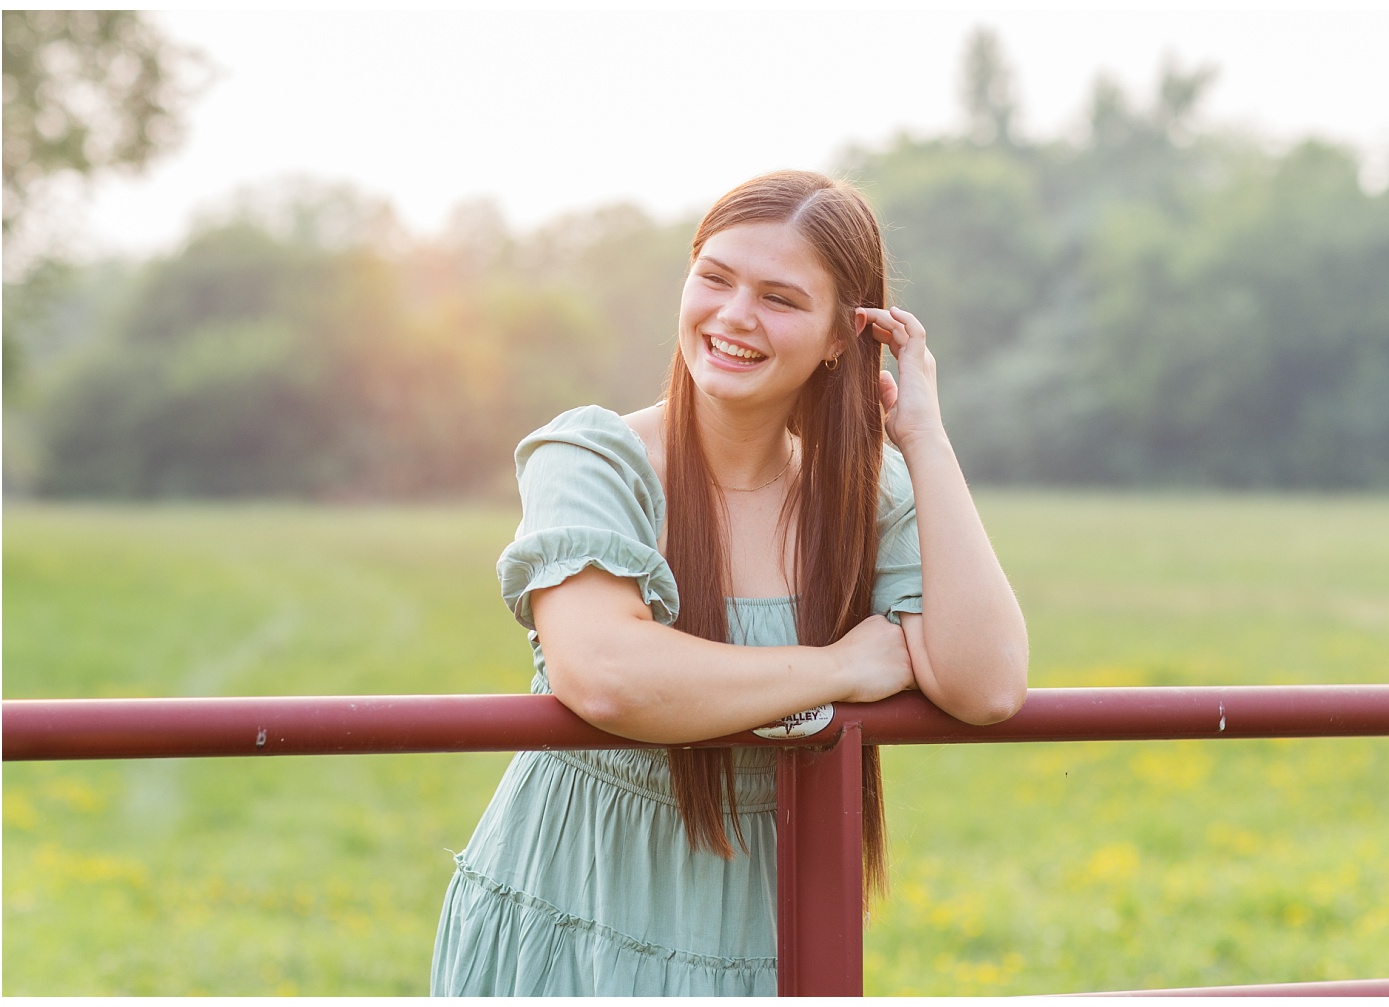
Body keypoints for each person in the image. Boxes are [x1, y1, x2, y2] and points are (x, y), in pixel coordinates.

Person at [430, 170, 1028, 996]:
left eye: (780, 298)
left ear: (838, 337)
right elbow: (604, 673)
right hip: (570, 912)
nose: (734, 315)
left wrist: (924, 438)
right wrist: (842, 669)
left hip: (763, 939)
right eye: (715, 277)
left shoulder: (868, 490)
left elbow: (988, 682)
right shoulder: (594, 459)